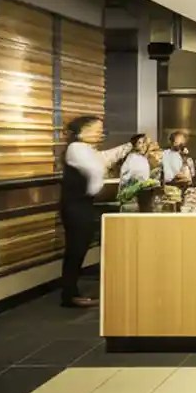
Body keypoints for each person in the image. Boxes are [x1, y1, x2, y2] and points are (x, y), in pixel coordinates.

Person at [61, 116, 134, 308]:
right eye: (95, 129)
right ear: (82, 132)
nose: (100, 133)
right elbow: (96, 169)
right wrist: (98, 189)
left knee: (79, 249)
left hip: (82, 205)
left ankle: (71, 293)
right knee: (75, 250)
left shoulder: (86, 150)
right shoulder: (76, 149)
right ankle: (69, 296)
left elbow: (104, 158)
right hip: (76, 206)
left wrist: (128, 146)